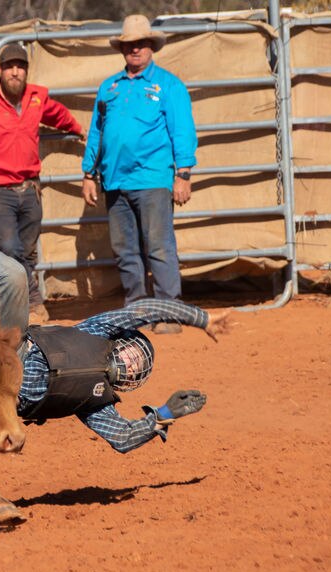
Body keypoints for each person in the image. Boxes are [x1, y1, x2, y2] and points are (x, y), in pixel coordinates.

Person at [0, 184, 228, 455]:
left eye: (137, 370)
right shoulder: (99, 331)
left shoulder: (98, 403)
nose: (132, 364)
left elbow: (123, 437)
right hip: (12, 344)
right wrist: (201, 318)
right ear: (124, 341)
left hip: (2, 402)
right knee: (13, 276)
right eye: (136, 354)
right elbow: (147, 311)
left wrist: (165, 413)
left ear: (131, 382)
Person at [81, 14, 197, 334]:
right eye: (130, 44)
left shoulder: (169, 85)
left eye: (141, 44)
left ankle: (169, 311)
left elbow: (182, 131)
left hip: (152, 178)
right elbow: (97, 132)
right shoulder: (109, 88)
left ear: (151, 46)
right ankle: (137, 310)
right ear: (122, 48)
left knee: (159, 246)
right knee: (125, 250)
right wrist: (89, 173)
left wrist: (183, 173)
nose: (135, 49)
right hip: (115, 180)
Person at [0, 42, 84, 325]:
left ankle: (15, 306)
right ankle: (33, 303)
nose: (15, 72)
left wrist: (76, 128)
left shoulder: (37, 97)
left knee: (26, 252)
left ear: (27, 70)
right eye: (9, 67)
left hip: (30, 189)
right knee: (10, 248)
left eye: (20, 66)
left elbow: (57, 114)